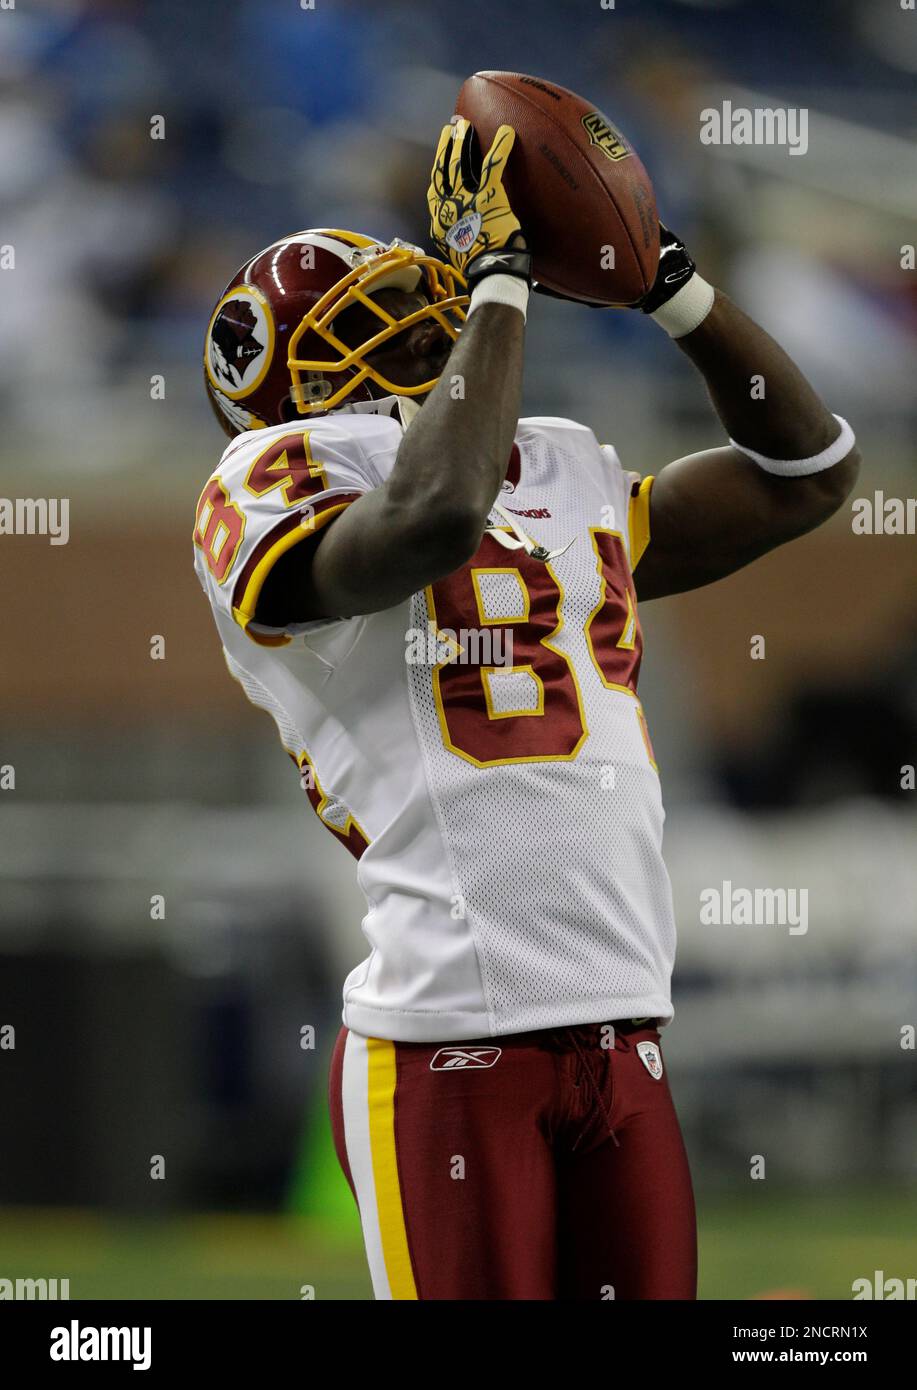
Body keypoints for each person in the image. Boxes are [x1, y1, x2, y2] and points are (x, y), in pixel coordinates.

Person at [193, 120, 859, 1299]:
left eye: (424, 294)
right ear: (296, 378)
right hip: (444, 1035)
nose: (423, 319)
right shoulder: (269, 482)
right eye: (371, 317)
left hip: (622, 1024)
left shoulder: (553, 463)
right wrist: (503, 286)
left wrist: (670, 286)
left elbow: (805, 473)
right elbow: (430, 517)